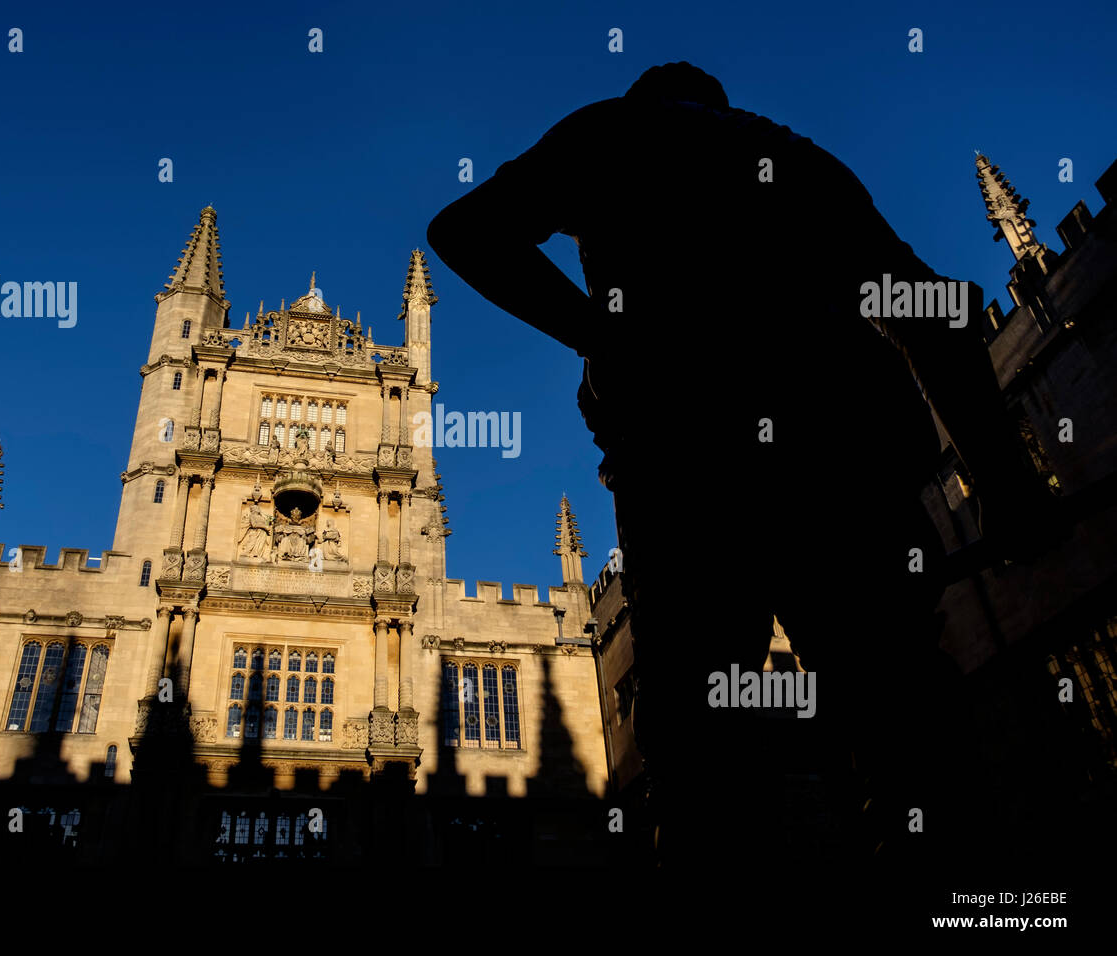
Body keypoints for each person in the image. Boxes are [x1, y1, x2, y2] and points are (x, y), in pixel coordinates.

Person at [427, 61, 1061, 879]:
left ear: (647, 103)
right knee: (906, 729)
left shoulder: (608, 137)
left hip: (687, 480)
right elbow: (932, 315)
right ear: (710, 103)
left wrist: (596, 333)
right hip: (838, 471)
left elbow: (464, 230)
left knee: (703, 762)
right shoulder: (793, 158)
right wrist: (1008, 485)